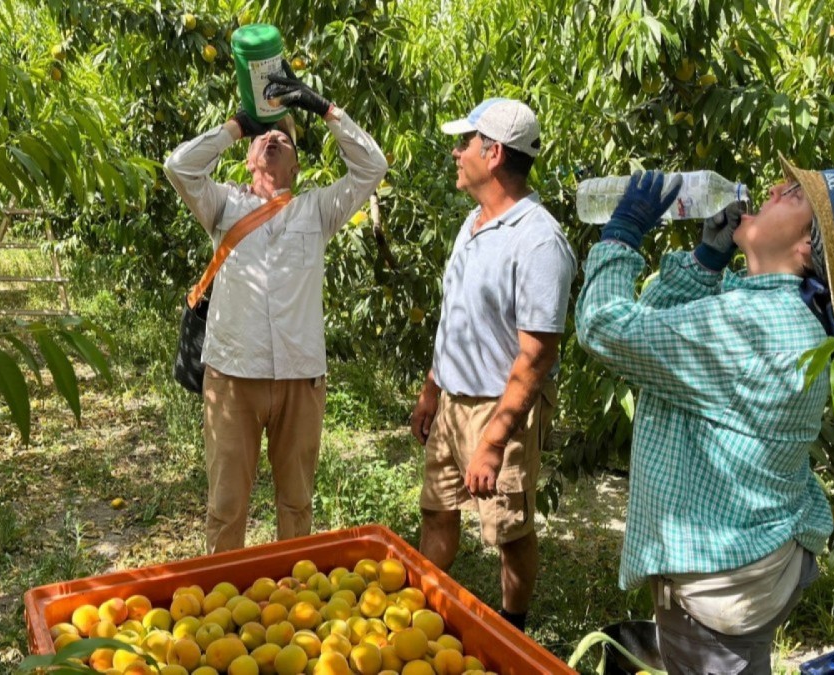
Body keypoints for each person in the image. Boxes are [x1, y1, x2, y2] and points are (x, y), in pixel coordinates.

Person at [574, 158, 834, 673]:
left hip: (719, 585)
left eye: (793, 197)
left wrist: (619, 239)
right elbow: (658, 337)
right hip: (750, 562)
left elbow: (607, 328)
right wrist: (707, 262)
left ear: (805, 248)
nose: (772, 189)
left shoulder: (756, 326)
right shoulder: (776, 309)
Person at [163, 64, 387, 553]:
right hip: (232, 376)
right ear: (247, 159)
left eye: (283, 137)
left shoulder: (317, 210)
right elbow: (178, 167)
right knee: (226, 504)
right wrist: (238, 125)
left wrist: (324, 109)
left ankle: (290, 593)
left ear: (298, 167)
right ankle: (222, 596)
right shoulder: (222, 206)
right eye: (263, 138)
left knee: (296, 503)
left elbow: (373, 167)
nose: (273, 140)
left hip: (299, 378)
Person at [410, 98, 575, 631]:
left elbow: (536, 356)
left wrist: (495, 440)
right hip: (455, 399)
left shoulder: (538, 241)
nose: (457, 152)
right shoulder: (473, 223)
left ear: (494, 152)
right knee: (437, 509)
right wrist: (432, 388)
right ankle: (424, 611)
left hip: (498, 408)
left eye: (466, 143)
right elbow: (453, 314)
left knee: (508, 529)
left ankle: (513, 629)